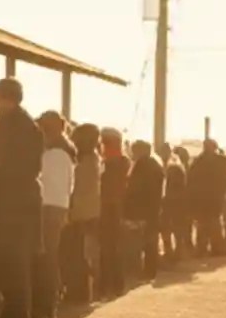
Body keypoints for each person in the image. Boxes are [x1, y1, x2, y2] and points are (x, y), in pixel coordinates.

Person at [0, 78, 43, 318]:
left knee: (11, 264)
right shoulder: (26, 124)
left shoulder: (13, 125)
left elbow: (6, 164)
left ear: (6, 99)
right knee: (17, 264)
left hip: (12, 204)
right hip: (22, 202)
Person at [34, 110, 75, 318]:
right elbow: (70, 186)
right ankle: (51, 307)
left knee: (44, 258)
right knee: (51, 257)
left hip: (45, 208)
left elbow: (39, 182)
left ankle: (46, 308)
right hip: (60, 208)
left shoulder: (49, 155)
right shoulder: (67, 153)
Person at [63, 124, 102, 304]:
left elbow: (77, 188)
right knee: (81, 255)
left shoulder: (86, 160)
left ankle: (78, 293)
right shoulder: (92, 158)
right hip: (88, 213)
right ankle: (81, 292)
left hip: (80, 214)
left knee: (76, 255)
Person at [98, 128, 131, 298]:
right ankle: (113, 283)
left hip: (111, 208)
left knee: (110, 248)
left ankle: (109, 284)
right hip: (113, 207)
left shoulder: (114, 163)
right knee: (111, 248)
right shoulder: (120, 161)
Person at [125, 140, 165, 280]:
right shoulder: (156, 165)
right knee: (151, 241)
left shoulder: (142, 166)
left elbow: (135, 189)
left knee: (140, 241)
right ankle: (150, 270)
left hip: (142, 209)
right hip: (153, 208)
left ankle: (141, 270)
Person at [188, 140, 226, 256]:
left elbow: (191, 179)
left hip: (204, 197)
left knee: (205, 223)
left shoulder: (198, 161)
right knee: (212, 223)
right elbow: (225, 178)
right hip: (213, 197)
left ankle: (204, 248)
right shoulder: (222, 160)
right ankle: (214, 248)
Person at [158, 143, 189, 263]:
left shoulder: (173, 165)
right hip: (172, 201)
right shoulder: (172, 163)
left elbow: (174, 185)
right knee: (169, 228)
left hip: (173, 201)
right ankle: (171, 251)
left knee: (173, 227)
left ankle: (175, 251)